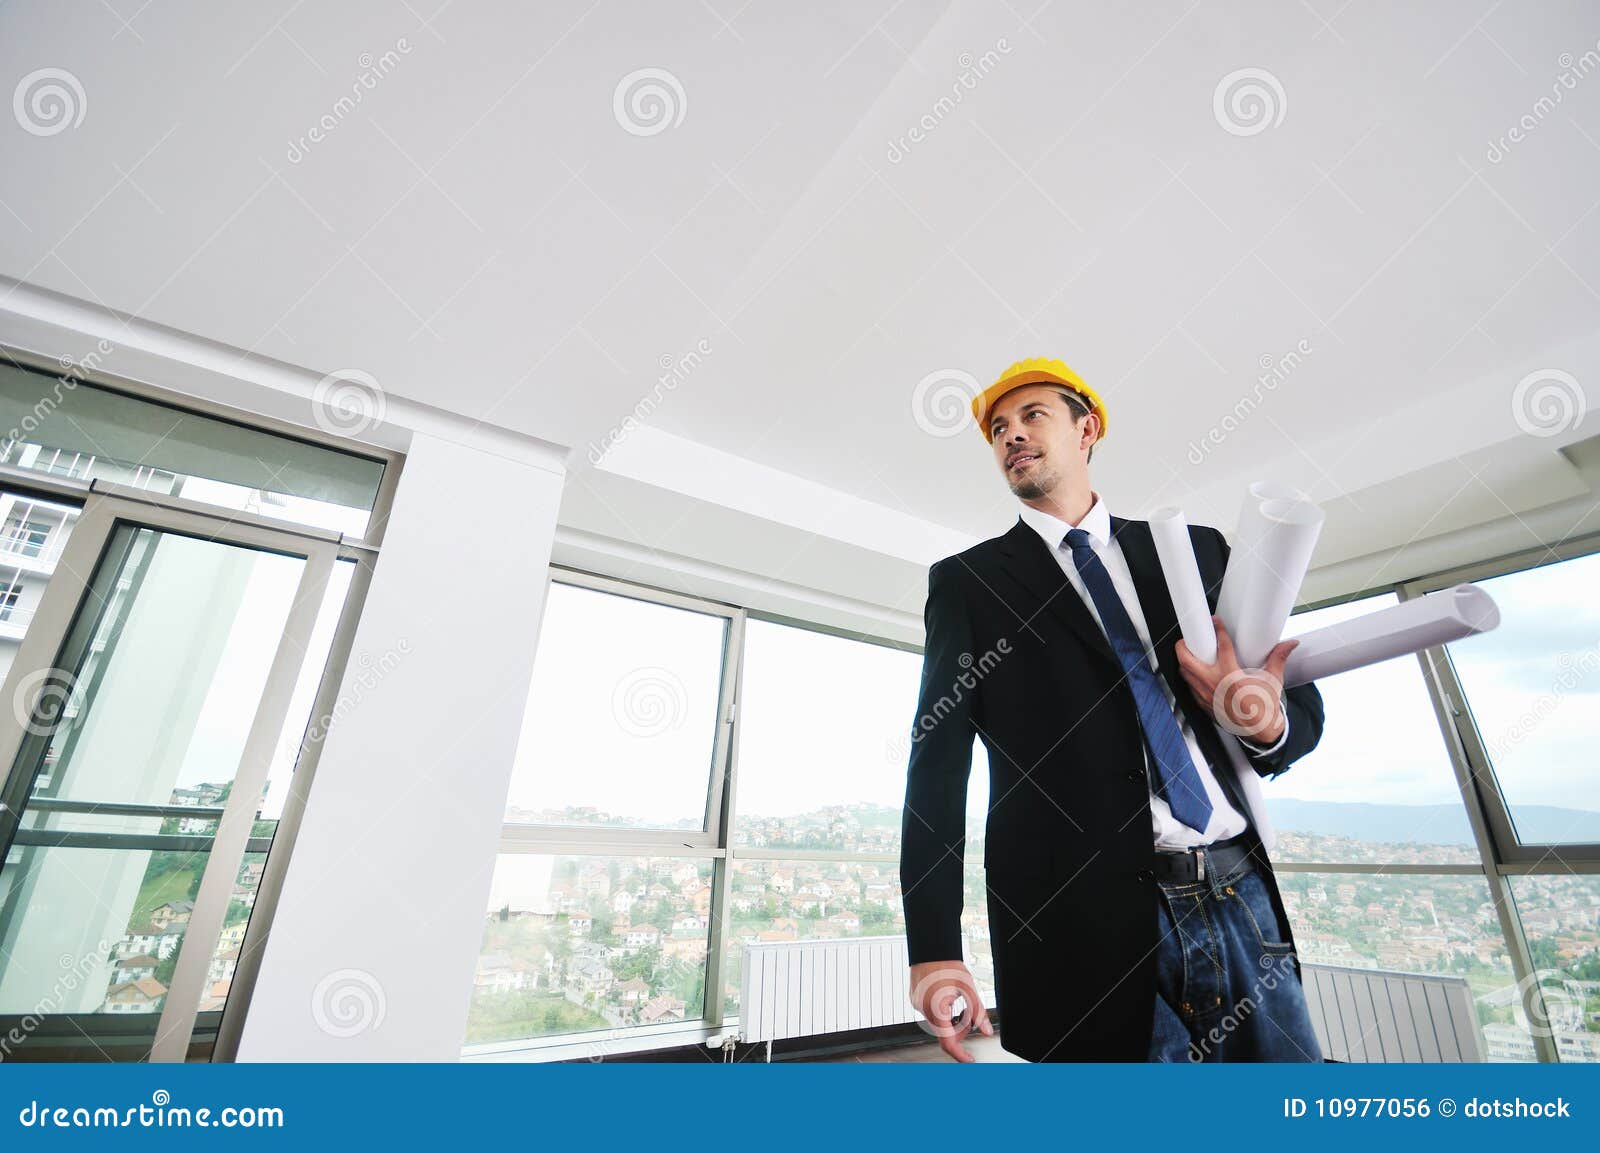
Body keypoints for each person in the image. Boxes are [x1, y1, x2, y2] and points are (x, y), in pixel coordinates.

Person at [899, 357, 1327, 1062]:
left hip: (1238, 894)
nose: (1011, 435)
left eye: (1032, 414)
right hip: (1077, 924)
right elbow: (936, 773)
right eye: (998, 428)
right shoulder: (967, 585)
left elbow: (1294, 708)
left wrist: (1264, 721)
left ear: (1086, 428)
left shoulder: (1194, 551)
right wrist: (934, 949)